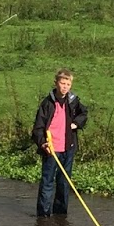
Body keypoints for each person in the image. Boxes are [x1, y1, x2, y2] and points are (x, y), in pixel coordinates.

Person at [31, 69, 88, 217]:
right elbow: (38, 127)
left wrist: (76, 124)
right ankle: (43, 216)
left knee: (63, 182)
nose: (65, 87)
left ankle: (61, 216)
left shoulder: (73, 101)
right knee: (47, 182)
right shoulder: (47, 103)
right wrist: (43, 143)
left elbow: (84, 114)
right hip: (51, 148)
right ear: (56, 83)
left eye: (68, 84)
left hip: (68, 148)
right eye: (62, 83)